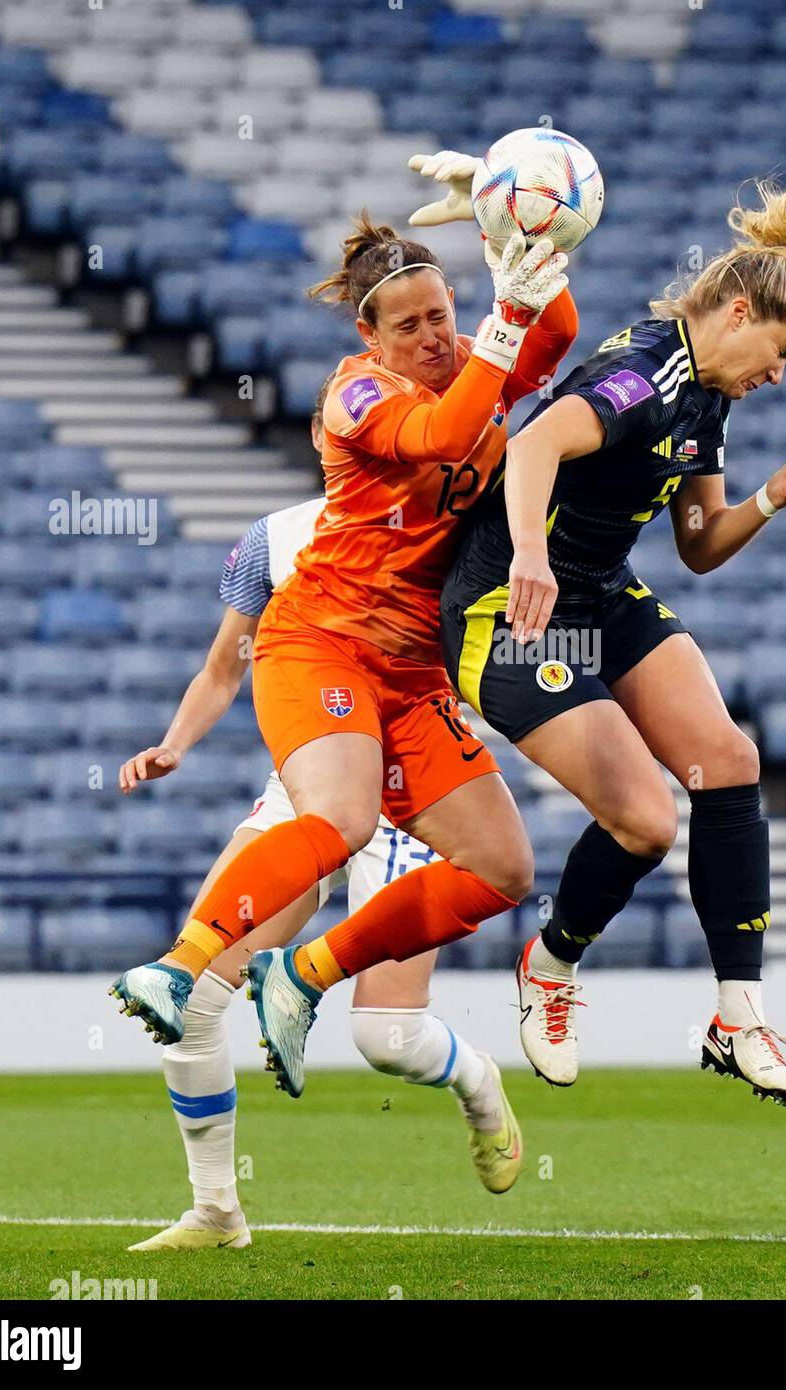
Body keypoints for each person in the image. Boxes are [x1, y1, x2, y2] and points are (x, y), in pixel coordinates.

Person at [112, 201, 578, 1105]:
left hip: (411, 674)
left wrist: (514, 237)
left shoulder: (479, 378)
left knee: (504, 868)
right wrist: (503, 323)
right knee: (340, 820)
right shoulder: (358, 392)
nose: (434, 337)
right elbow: (442, 437)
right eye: (409, 326)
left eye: (443, 315)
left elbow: (556, 328)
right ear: (370, 335)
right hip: (321, 642)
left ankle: (305, 973)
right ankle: (180, 965)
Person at [440, 178, 786, 1108]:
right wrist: (536, 559)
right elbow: (537, 442)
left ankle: (737, 1017)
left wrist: (773, 496)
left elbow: (700, 546)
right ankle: (549, 968)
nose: (780, 374)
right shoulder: (648, 375)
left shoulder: (709, 401)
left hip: (596, 589)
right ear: (740, 312)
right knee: (646, 823)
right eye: (780, 351)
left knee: (728, 761)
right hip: (508, 607)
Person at [116, 385, 522, 1251]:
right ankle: (217, 1209)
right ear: (328, 437)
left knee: (386, 1035)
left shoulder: (443, 509)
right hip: (309, 783)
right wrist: (174, 742)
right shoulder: (273, 538)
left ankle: (479, 1082)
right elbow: (225, 667)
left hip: (411, 786)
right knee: (189, 997)